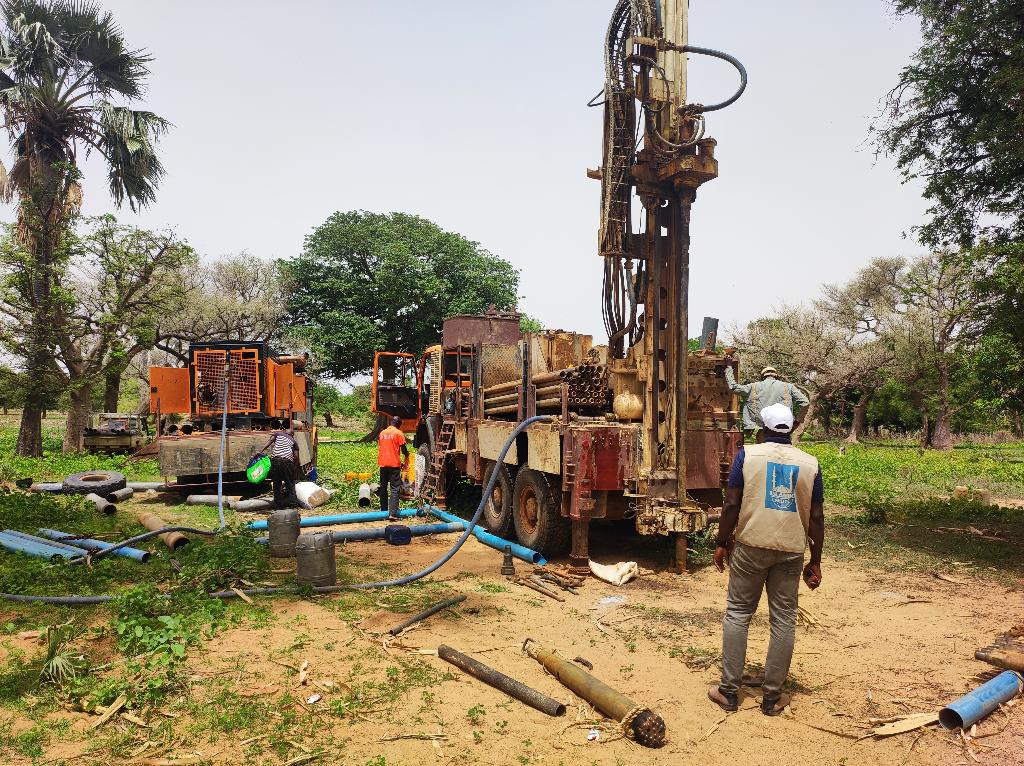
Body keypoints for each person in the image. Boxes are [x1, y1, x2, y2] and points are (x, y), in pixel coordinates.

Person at [708, 402, 825, 717]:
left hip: (750, 546)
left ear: (763, 429)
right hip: (790, 551)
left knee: (738, 614)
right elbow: (816, 517)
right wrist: (815, 561)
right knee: (783, 619)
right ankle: (772, 697)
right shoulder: (810, 463)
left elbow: (731, 504)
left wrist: (721, 542)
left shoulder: (747, 455)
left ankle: (729, 692)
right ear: (792, 429)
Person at [724, 358, 809, 438]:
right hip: (783, 431)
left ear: (763, 377)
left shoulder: (753, 387)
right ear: (776, 376)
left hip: (763, 431)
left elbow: (733, 387)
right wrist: (797, 421)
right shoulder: (789, 387)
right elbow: (805, 403)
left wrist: (729, 366)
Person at [378, 415, 410, 520]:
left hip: (382, 464)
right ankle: (392, 513)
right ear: (398, 425)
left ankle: (383, 511)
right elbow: (404, 449)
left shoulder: (382, 433)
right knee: (395, 488)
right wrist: (407, 456)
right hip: (394, 465)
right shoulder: (398, 433)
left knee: (383, 487)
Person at [262, 426, 300, 509]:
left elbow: (269, 442)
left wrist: (261, 451)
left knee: (276, 483)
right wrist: (294, 467)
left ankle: (278, 505)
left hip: (275, 461)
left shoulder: (278, 434)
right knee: (289, 484)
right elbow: (296, 457)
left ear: (284, 432)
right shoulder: (294, 442)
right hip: (286, 462)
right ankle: (293, 505)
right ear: (292, 435)